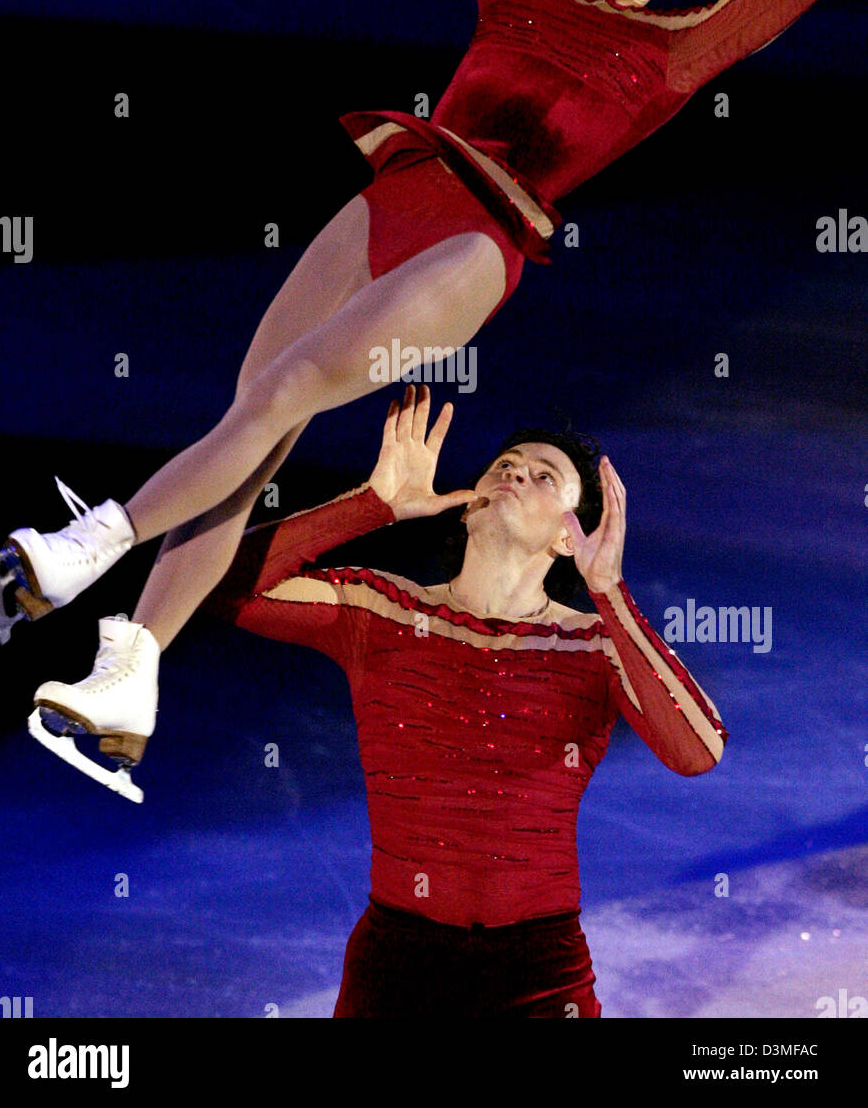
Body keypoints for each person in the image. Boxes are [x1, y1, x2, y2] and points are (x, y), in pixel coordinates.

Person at [0, 0, 851, 792]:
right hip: (390, 196)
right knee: (251, 433)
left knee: (284, 394)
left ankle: (90, 546)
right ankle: (128, 678)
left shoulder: (673, 53)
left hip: (477, 243)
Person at [198, 384, 727, 1017]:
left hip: (540, 975)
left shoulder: (592, 647)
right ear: (468, 506)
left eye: (542, 476)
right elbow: (219, 584)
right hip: (396, 968)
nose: (513, 474)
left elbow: (698, 751)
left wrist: (610, 595)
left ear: (569, 537)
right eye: (504, 466)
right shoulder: (384, 610)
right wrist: (371, 506)